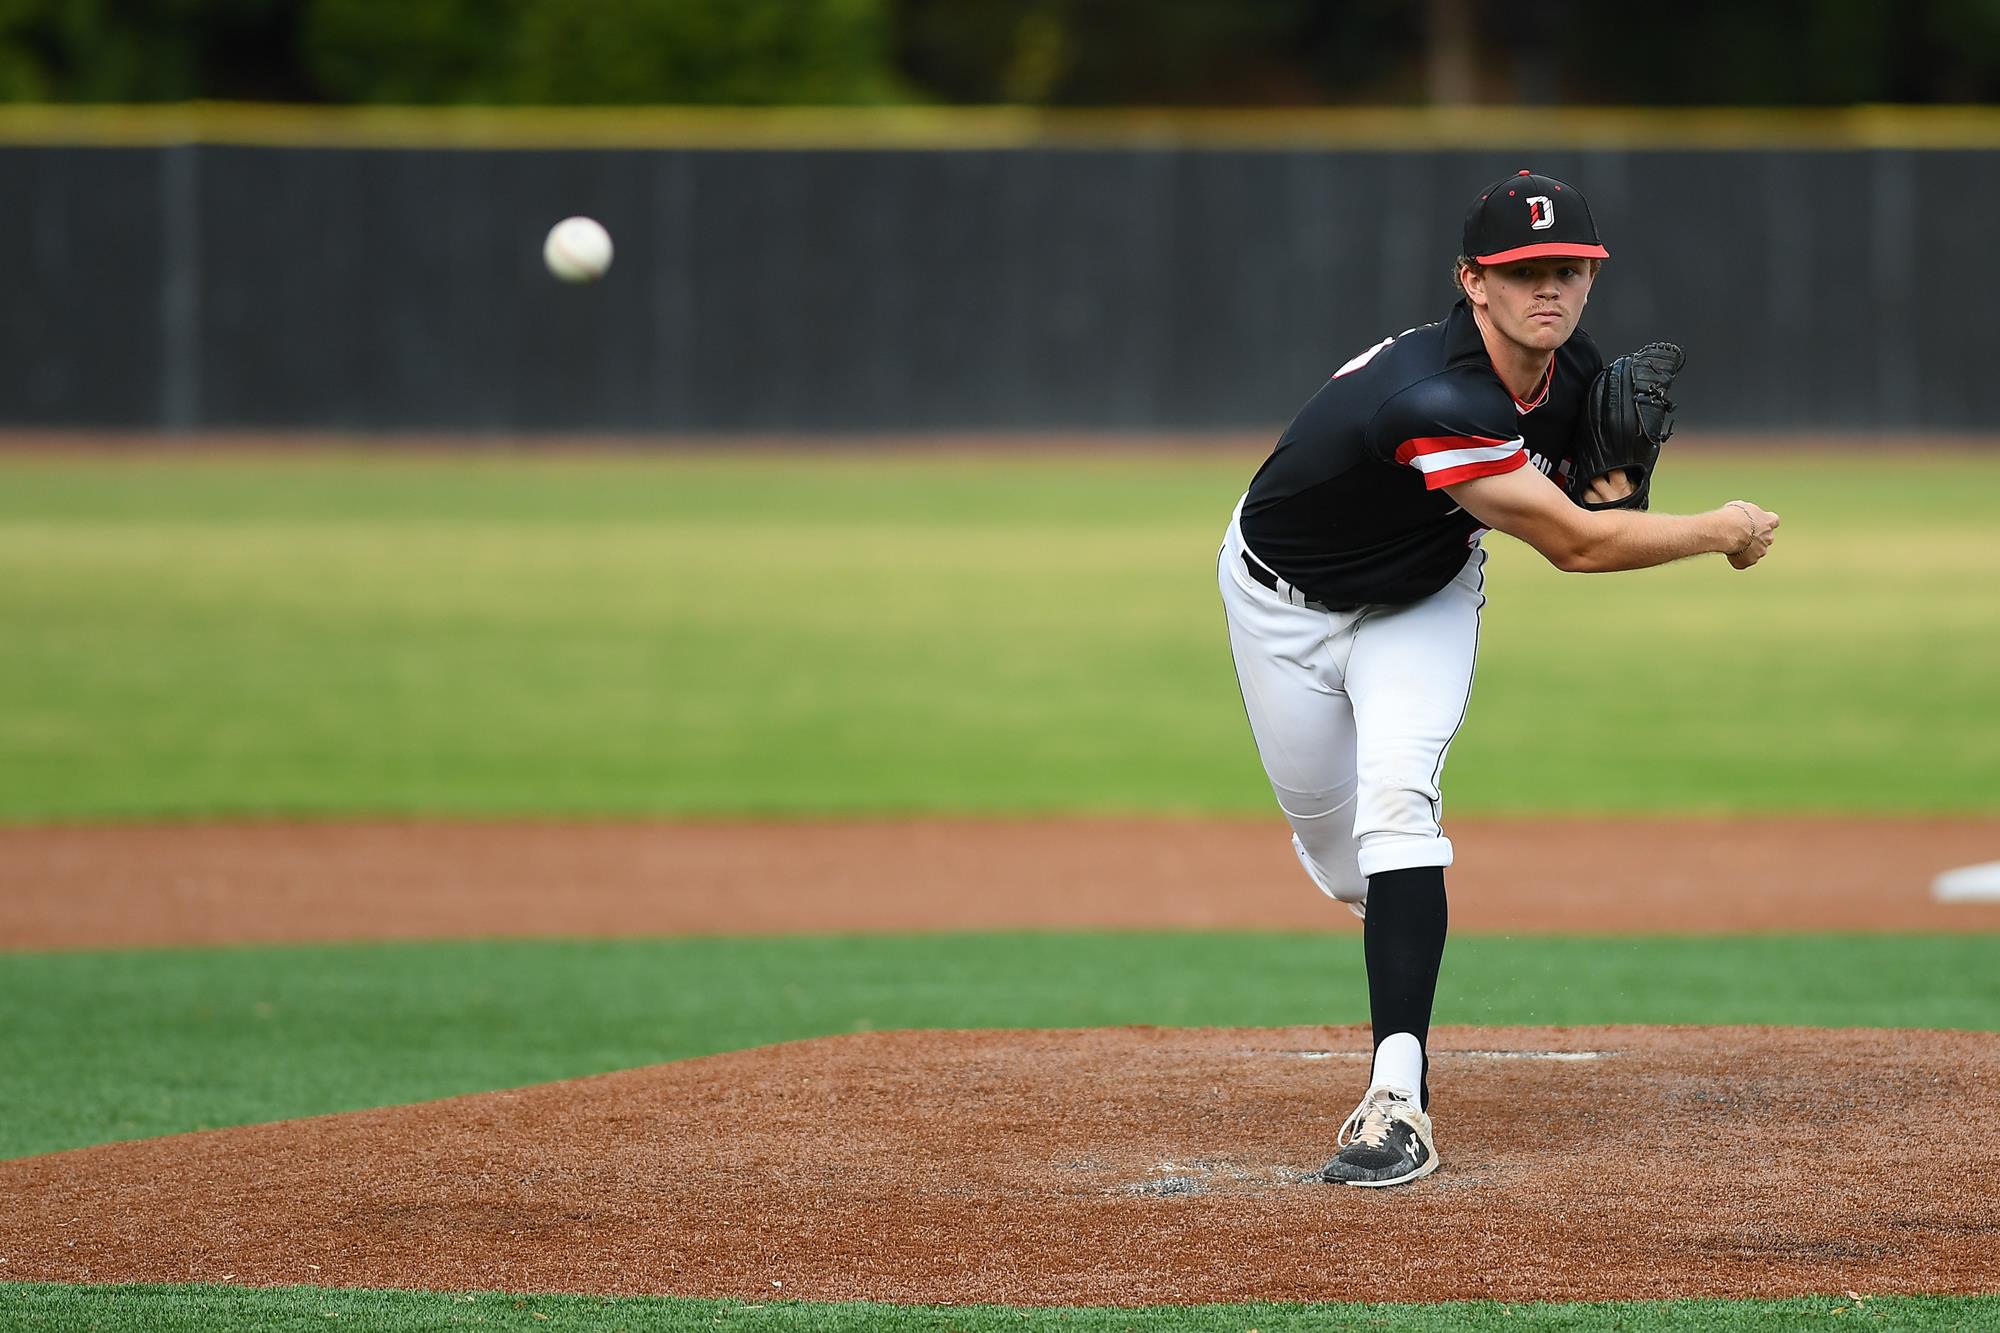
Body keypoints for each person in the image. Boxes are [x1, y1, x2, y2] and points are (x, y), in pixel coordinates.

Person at [1215, 170, 1780, 1187]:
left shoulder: (1573, 375)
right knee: (1348, 863)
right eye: (1521, 272)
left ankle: (1396, 1100)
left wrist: (1615, 483)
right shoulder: (1434, 394)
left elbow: (1591, 500)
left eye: (1567, 268)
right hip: (1277, 605)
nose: (1548, 289)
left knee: (1399, 809)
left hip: (1420, 599)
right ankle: (1374, 885)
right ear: (1472, 281)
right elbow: (1574, 545)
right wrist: (1719, 529)